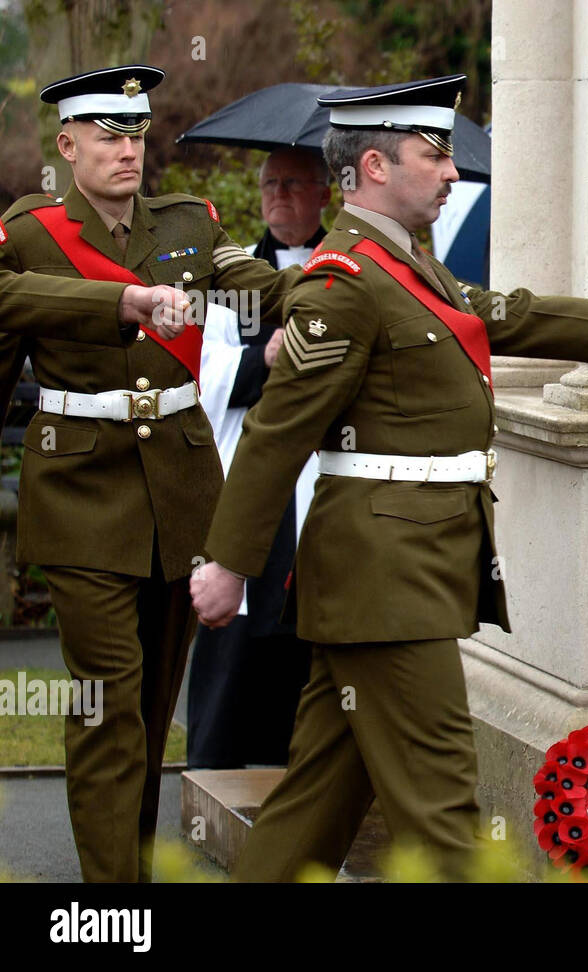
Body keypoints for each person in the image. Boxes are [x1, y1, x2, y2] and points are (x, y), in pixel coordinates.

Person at [189, 74, 588, 881]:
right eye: (435, 154)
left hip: (401, 569)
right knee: (444, 809)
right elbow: (278, 431)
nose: (453, 173)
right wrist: (229, 563)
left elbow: (513, 313)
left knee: (315, 801)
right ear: (376, 166)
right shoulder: (341, 283)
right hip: (385, 577)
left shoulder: (403, 265)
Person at [0, 64, 298, 881]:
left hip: (179, 489)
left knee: (147, 708)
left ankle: (128, 878)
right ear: (67, 144)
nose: (128, 151)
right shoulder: (29, 232)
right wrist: (120, 304)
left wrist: (339, 283)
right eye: (107, 136)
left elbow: (263, 291)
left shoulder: (192, 224)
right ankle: (112, 904)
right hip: (81, 494)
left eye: (136, 134)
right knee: (107, 706)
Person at [188, 147, 330, 768]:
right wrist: (263, 359)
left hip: (325, 474)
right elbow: (203, 370)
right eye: (270, 184)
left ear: (327, 191)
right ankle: (214, 780)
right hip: (250, 471)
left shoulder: (343, 275)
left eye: (293, 184)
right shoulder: (235, 278)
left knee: (309, 636)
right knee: (237, 637)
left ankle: (297, 781)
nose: (278, 195)